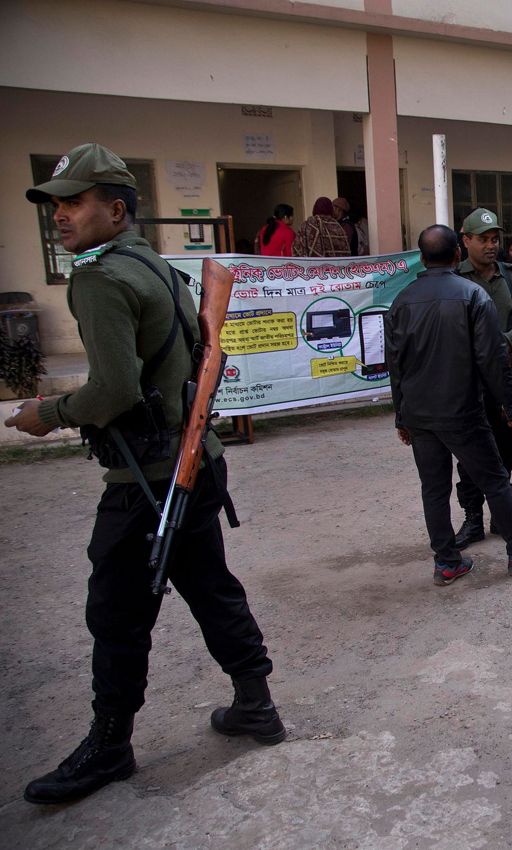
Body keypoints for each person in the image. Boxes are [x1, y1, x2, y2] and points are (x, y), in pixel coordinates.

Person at [7, 144, 283, 805]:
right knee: (212, 589)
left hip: (147, 480)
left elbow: (112, 391)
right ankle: (256, 702)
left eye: (75, 203)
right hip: (193, 465)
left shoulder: (99, 279)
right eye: (56, 204)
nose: (61, 217)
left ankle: (109, 745)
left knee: (116, 614)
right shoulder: (152, 265)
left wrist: (43, 413)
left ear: (117, 209)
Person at [388, 225, 512, 589]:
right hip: (462, 410)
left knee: (433, 490)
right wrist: (511, 410)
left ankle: (446, 562)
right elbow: (491, 359)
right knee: (495, 480)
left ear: (421, 257)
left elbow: (395, 365)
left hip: (420, 414)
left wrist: (401, 415)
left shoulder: (402, 301)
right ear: (458, 254)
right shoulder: (473, 296)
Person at [453, 208, 512, 549]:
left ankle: (499, 512)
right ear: (466, 241)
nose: (491, 246)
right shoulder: (454, 279)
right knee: (470, 453)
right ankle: (472, 518)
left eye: (495, 239)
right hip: (468, 381)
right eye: (483, 240)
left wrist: (508, 340)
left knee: (507, 447)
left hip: (508, 376)